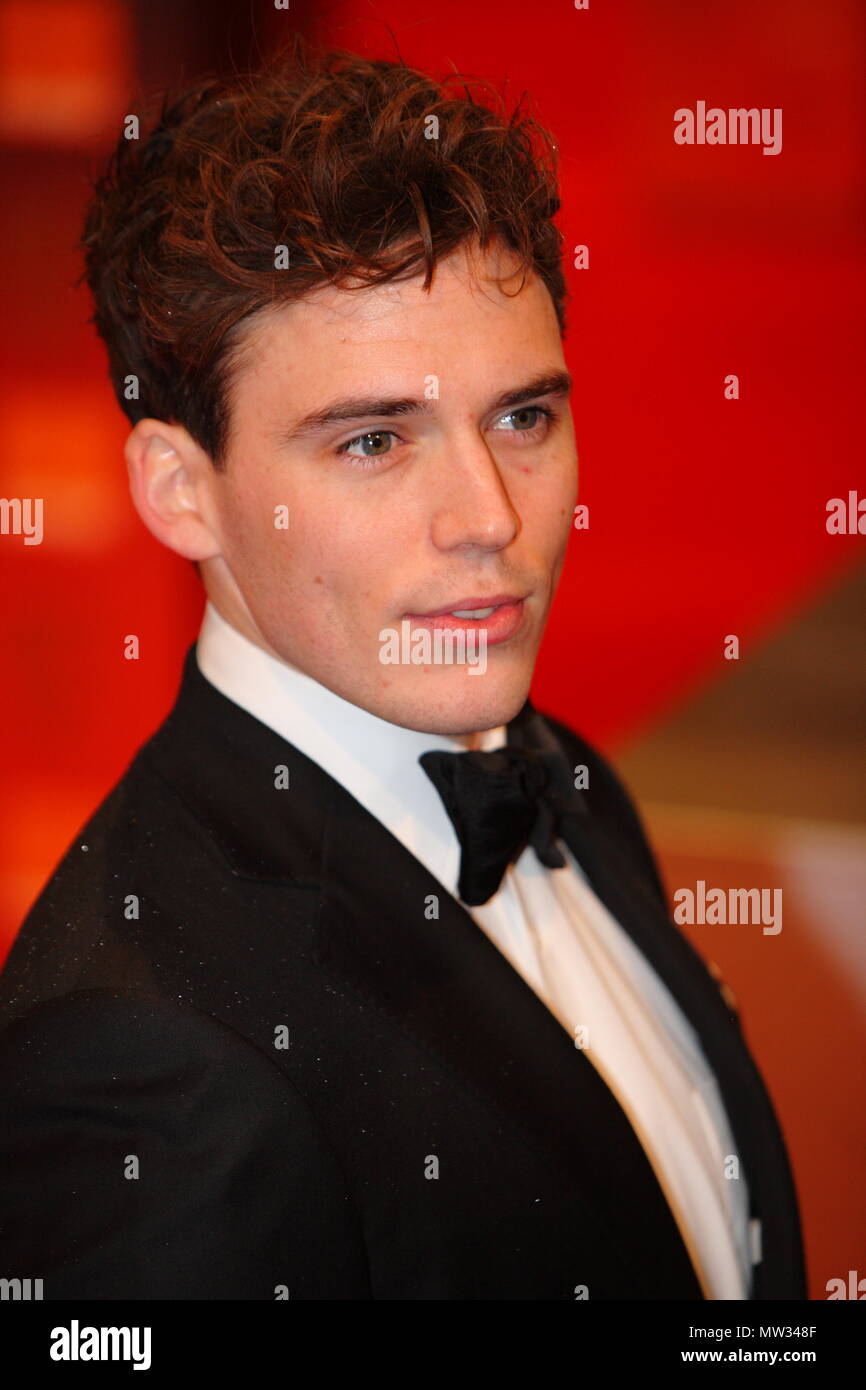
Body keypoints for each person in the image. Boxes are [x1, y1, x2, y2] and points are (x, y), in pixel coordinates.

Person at [0, 45, 805, 1300]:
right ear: (179, 491)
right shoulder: (142, 1062)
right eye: (375, 440)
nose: (487, 514)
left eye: (522, 418)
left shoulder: (557, 776)